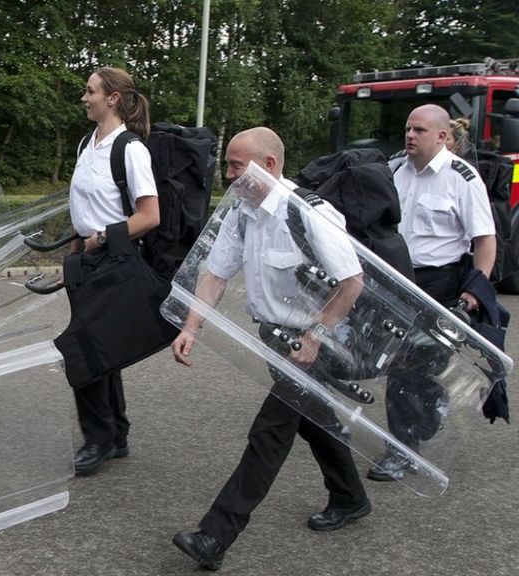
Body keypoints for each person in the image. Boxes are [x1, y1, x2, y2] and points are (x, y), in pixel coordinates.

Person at [170, 128, 370, 571]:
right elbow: (216, 273)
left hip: (314, 342)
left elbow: (352, 281)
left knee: (270, 432)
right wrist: (191, 325)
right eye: (227, 164)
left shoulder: (309, 213)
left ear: (270, 165)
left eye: (237, 165)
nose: (228, 174)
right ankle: (351, 496)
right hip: (273, 339)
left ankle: (215, 535)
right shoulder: (242, 213)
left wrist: (315, 335)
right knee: (315, 421)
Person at [372, 104, 496, 481]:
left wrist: (473, 294)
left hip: (439, 283)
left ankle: (411, 436)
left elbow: (485, 241)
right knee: (396, 360)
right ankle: (417, 425)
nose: (410, 136)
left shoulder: (463, 178)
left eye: (420, 131)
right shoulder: (393, 169)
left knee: (412, 364)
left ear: (442, 136)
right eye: (408, 129)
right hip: (396, 280)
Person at [67, 66, 159, 475]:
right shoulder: (88, 143)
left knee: (85, 351)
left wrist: (102, 237)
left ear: (113, 99)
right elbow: (84, 209)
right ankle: (115, 434)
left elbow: (149, 215)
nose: (84, 98)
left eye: (90, 92)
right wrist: (72, 255)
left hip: (111, 258)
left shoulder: (131, 149)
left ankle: (98, 440)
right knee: (100, 349)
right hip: (84, 260)